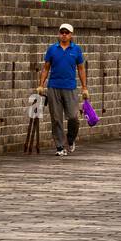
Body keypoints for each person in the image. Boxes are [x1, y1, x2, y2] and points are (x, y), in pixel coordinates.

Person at [35, 23, 89, 158]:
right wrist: (41, 84)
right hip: (54, 87)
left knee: (73, 117)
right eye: (62, 32)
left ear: (71, 35)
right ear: (59, 33)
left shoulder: (76, 50)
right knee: (56, 118)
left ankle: (70, 139)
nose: (64, 34)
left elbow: (81, 69)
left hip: (70, 87)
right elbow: (46, 68)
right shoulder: (52, 49)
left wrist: (84, 88)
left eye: (67, 32)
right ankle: (59, 146)